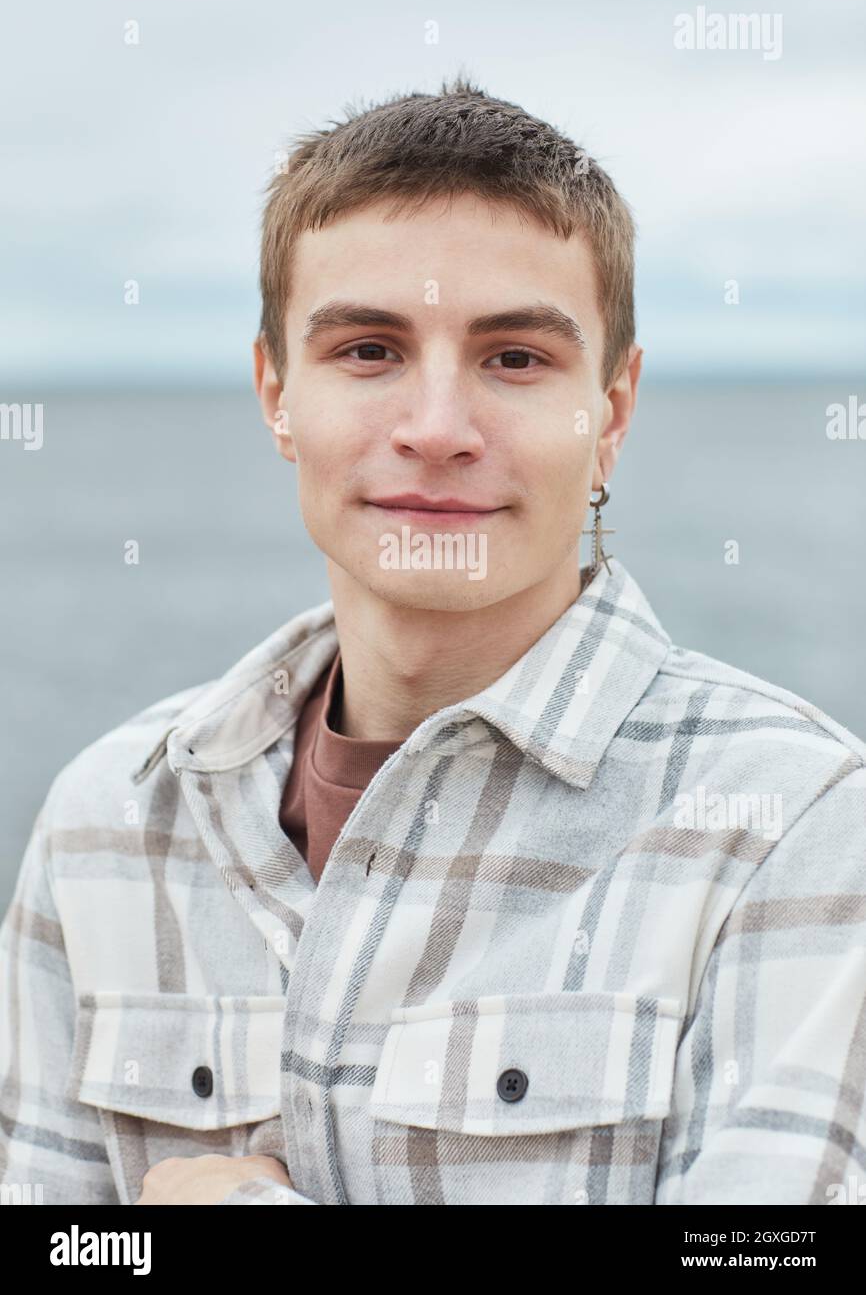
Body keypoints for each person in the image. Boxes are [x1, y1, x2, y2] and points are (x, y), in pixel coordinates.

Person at [2, 75, 864, 1207]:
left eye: (514, 358)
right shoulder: (109, 817)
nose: (436, 429)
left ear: (608, 413)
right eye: (367, 350)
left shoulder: (792, 825)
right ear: (275, 392)